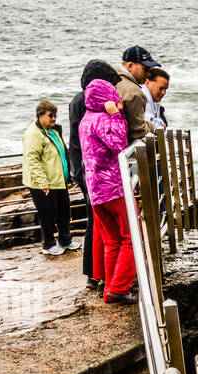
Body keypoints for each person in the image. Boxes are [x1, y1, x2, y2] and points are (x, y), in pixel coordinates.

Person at [79, 78, 135, 305]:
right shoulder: (103, 119)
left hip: (95, 190)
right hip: (113, 187)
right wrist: (117, 115)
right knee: (132, 237)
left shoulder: (85, 120)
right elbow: (120, 144)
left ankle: (109, 288)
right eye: (113, 94)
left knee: (112, 241)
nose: (118, 98)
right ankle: (119, 287)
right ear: (105, 98)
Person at [68, 59, 118, 291]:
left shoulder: (79, 100)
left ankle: (94, 273)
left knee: (95, 223)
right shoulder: (85, 101)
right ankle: (95, 273)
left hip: (82, 168)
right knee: (96, 224)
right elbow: (85, 139)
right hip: (90, 170)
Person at [21, 99, 78, 256]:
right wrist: (42, 183)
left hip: (58, 180)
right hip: (44, 183)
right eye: (50, 116)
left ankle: (65, 240)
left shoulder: (53, 131)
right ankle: (48, 244)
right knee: (47, 215)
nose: (53, 119)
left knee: (64, 212)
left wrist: (69, 175)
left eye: (55, 115)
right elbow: (32, 160)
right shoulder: (33, 134)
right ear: (40, 115)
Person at [116, 45, 158, 144]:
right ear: (130, 66)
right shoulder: (134, 92)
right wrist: (154, 125)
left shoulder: (111, 79)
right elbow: (138, 131)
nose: (148, 74)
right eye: (145, 69)